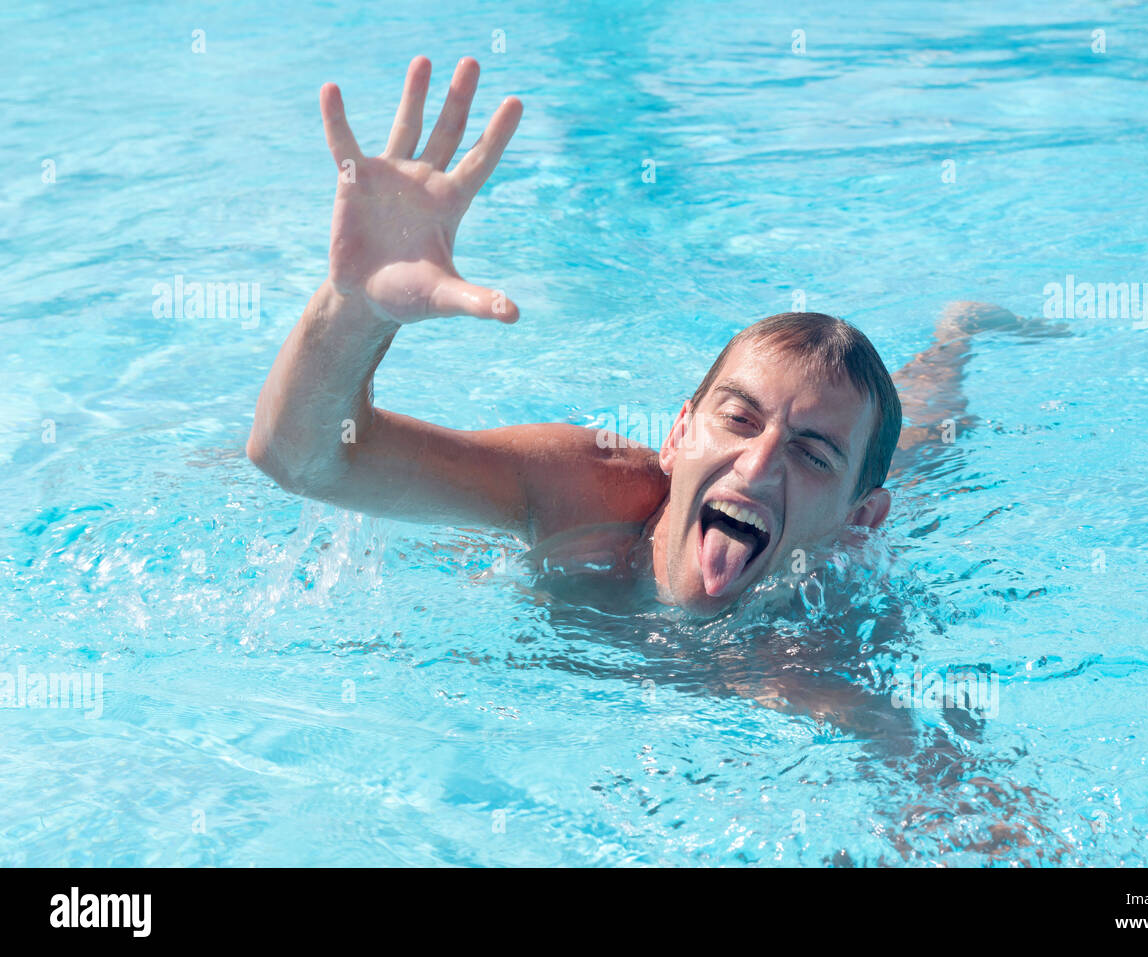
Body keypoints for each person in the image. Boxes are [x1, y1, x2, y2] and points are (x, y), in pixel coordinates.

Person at [246, 54, 1054, 619]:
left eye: (811, 453)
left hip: (857, 510)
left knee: (920, 431)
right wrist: (355, 307)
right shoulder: (580, 497)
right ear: (676, 436)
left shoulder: (829, 634)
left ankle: (960, 331)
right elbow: (302, 458)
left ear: (859, 524)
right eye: (737, 418)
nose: (760, 460)